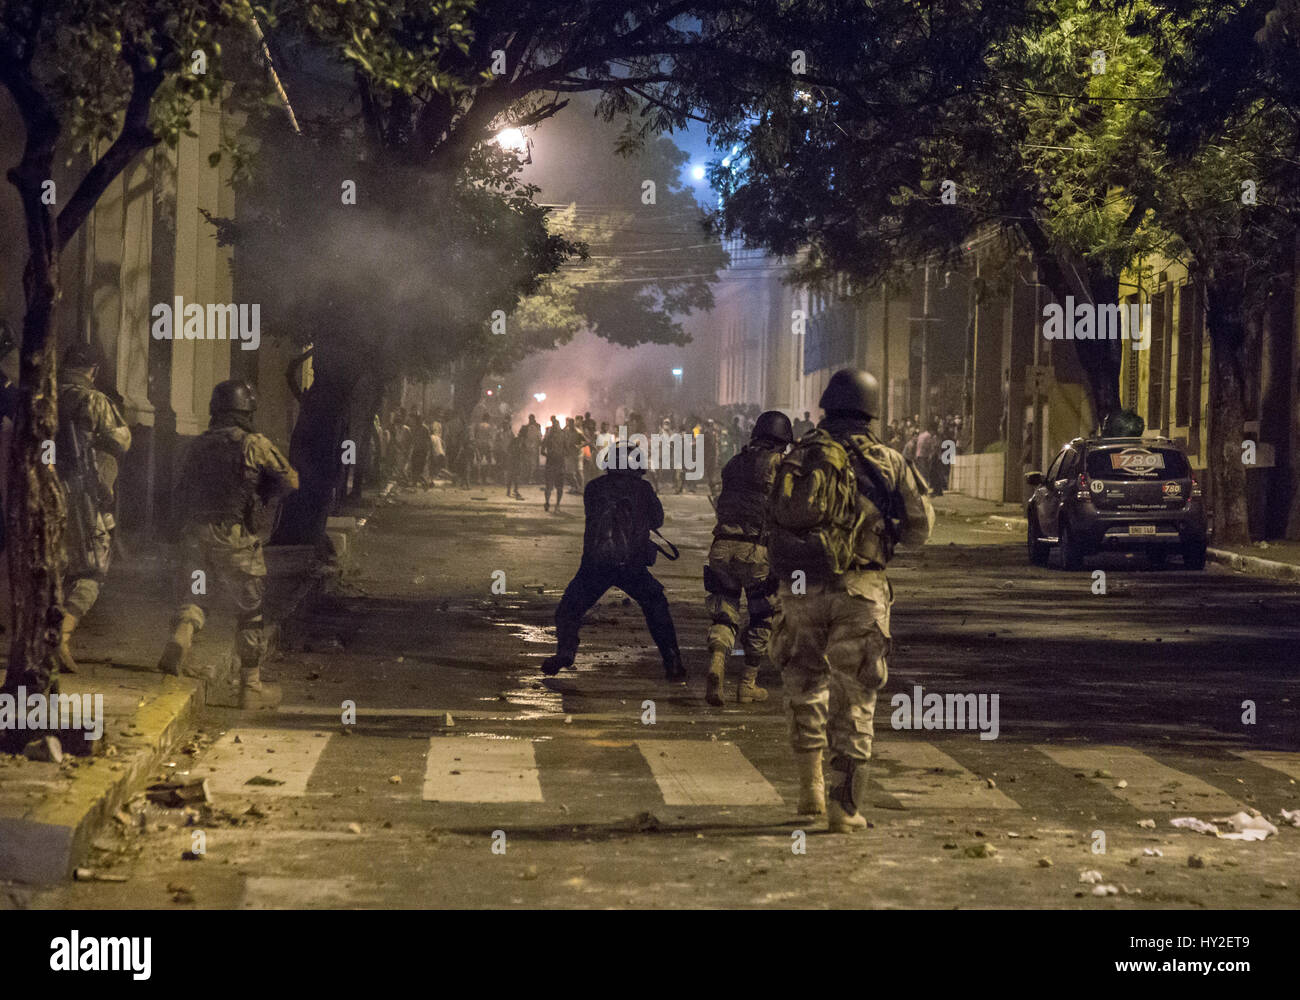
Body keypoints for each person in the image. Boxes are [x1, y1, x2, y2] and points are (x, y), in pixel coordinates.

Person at [767, 369, 933, 831]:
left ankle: (809, 792)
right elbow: (921, 531)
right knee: (855, 695)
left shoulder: (799, 453)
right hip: (860, 590)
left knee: (802, 683)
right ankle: (845, 809)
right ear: (872, 410)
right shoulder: (888, 460)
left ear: (826, 405)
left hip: (799, 586)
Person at [156, 379, 298, 709]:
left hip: (194, 534)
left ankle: (183, 634)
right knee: (250, 613)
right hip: (235, 538)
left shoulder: (195, 445)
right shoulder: (254, 443)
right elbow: (291, 479)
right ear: (247, 410)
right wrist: (263, 488)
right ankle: (251, 688)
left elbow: (178, 490)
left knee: (195, 593)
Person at [542, 443, 685, 682]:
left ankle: (566, 653)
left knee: (569, 609)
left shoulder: (594, 488)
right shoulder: (643, 488)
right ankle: (673, 662)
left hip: (595, 565)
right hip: (632, 565)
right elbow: (657, 520)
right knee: (656, 606)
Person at [703, 410, 792, 706]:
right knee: (762, 615)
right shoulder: (780, 465)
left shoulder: (734, 463)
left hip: (721, 546)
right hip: (756, 550)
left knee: (724, 611)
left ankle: (717, 661)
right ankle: (746, 685)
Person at [56, 343, 132, 674]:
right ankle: (60, 635)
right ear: (92, 371)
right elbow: (121, 441)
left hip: (39, 489)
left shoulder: (40, 396)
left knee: (51, 564)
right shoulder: (94, 400)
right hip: (81, 493)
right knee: (92, 569)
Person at [542, 416, 568, 511]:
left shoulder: (550, 435)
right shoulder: (555, 435)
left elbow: (542, 450)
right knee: (555, 486)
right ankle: (554, 504)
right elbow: (567, 450)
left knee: (553, 486)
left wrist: (549, 455)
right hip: (556, 462)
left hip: (554, 462)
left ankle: (552, 503)